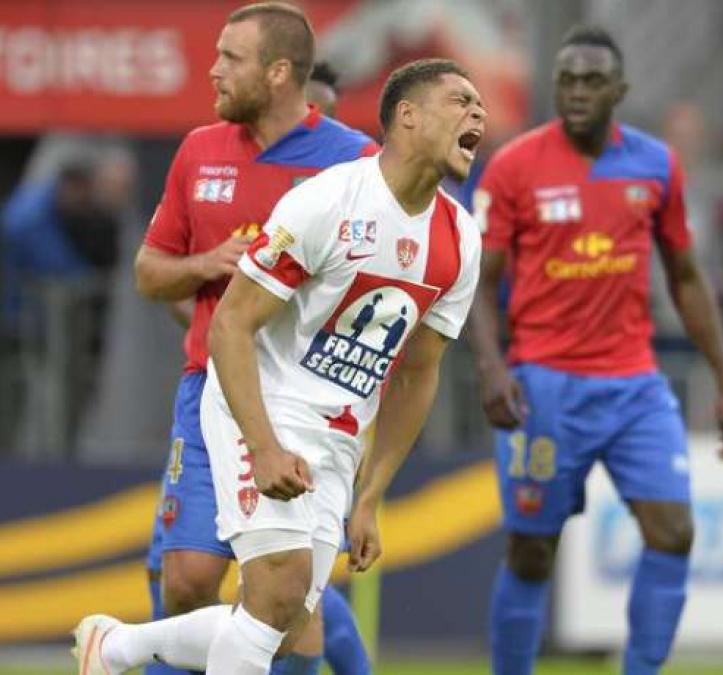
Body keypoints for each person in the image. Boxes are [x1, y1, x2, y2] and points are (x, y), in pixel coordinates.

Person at [73, 56, 484, 675]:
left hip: (339, 436)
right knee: (277, 589)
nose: (477, 113)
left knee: (284, 628)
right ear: (407, 116)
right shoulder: (329, 202)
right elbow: (232, 325)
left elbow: (418, 373)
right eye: (460, 101)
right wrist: (262, 445)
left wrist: (370, 495)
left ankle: (119, 648)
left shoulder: (460, 238)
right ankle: (121, 649)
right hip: (262, 404)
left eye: (479, 104)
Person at [469, 25, 723, 675]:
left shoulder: (654, 165)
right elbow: (476, 286)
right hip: (544, 386)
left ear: (619, 90)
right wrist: (492, 365)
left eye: (593, 80)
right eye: (567, 79)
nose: (577, 91)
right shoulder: (514, 166)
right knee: (532, 550)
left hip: (633, 384)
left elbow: (685, 275)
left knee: (674, 532)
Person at [126, 4, 377, 674]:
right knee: (185, 577)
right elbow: (149, 272)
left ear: (278, 73)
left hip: (306, 401)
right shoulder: (199, 150)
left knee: (291, 598)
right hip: (210, 388)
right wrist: (206, 264)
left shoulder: (355, 162)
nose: (213, 70)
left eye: (230, 59)